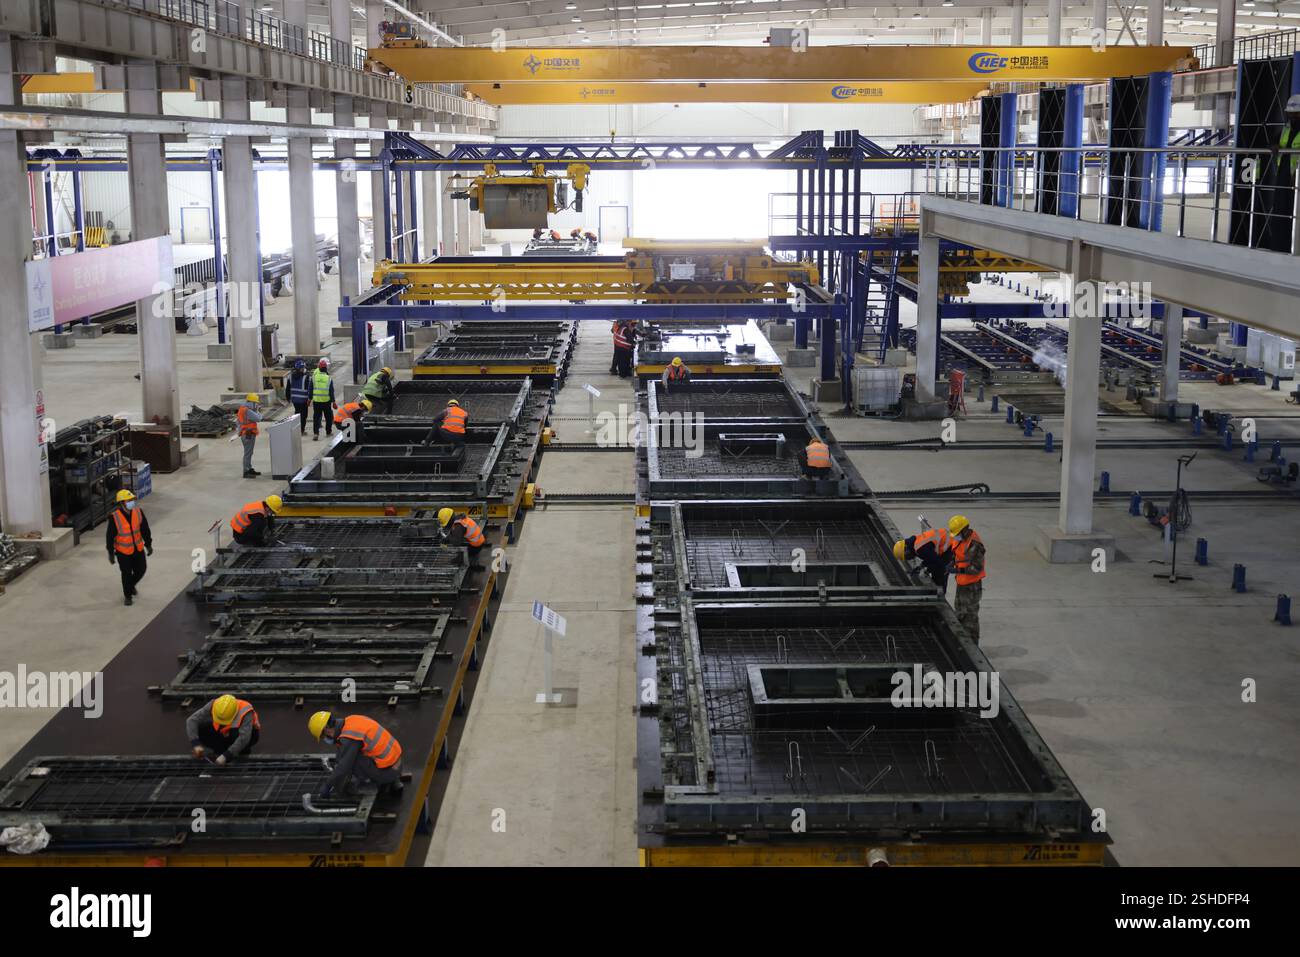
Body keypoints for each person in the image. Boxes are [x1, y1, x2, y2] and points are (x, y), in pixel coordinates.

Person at [308, 711, 404, 799]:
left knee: (352, 760)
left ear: (326, 729)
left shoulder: (348, 738)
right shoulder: (352, 720)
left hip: (388, 773)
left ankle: (369, 785)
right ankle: (393, 781)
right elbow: (342, 749)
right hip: (397, 764)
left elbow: (344, 767)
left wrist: (327, 785)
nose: (325, 739)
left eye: (322, 736)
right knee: (351, 754)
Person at [106, 488, 151, 606]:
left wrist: (148, 544)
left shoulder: (138, 512)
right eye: (128, 500)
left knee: (141, 569)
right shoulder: (114, 517)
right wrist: (110, 552)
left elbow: (145, 529)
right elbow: (109, 536)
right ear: (122, 503)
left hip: (138, 548)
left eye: (132, 499)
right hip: (123, 552)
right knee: (126, 574)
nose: (131, 502)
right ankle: (128, 596)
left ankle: (130, 586)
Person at [186, 694, 260, 766]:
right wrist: (196, 744)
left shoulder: (246, 711)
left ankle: (239, 753)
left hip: (246, 735)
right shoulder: (215, 704)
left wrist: (226, 756)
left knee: (237, 736)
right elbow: (192, 720)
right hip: (224, 732)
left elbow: (244, 738)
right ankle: (220, 751)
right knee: (202, 728)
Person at [949, 515, 986, 644]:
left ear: (965, 530)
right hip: (961, 583)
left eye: (958, 533)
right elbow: (957, 554)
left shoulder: (975, 544)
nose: (956, 536)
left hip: (972, 587)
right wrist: (951, 563)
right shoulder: (960, 539)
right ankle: (963, 643)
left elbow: (977, 567)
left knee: (970, 618)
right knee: (959, 613)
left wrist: (959, 570)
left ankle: (973, 646)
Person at [892, 525, 954, 591]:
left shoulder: (920, 549)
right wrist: (921, 566)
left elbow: (936, 562)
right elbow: (930, 557)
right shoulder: (915, 542)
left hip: (950, 546)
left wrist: (927, 571)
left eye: (905, 557)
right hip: (946, 538)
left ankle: (940, 593)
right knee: (935, 569)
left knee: (939, 572)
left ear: (906, 550)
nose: (908, 559)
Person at [236, 392, 262, 478]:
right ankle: (246, 471)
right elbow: (259, 418)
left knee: (249, 453)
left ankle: (249, 468)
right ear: (252, 402)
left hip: (246, 433)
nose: (257, 404)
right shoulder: (248, 411)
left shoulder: (242, 408)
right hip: (248, 434)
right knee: (248, 453)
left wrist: (239, 431)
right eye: (256, 403)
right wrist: (258, 411)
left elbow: (238, 422)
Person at [310, 358, 337, 441]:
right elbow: (331, 391)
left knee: (316, 418)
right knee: (328, 417)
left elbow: (310, 389)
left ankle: (316, 433)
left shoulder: (314, 377)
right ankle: (328, 432)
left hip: (316, 401)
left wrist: (309, 399)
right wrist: (334, 402)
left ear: (319, 368)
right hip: (326, 402)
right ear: (326, 368)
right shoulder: (328, 379)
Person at [285, 359, 312, 435]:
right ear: (301, 368)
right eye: (303, 368)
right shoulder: (306, 378)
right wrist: (310, 398)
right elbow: (309, 390)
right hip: (303, 401)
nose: (304, 369)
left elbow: (287, 389)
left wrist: (288, 398)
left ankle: (296, 429)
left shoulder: (290, 377)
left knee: (297, 414)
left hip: (295, 400)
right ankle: (301, 430)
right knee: (303, 416)